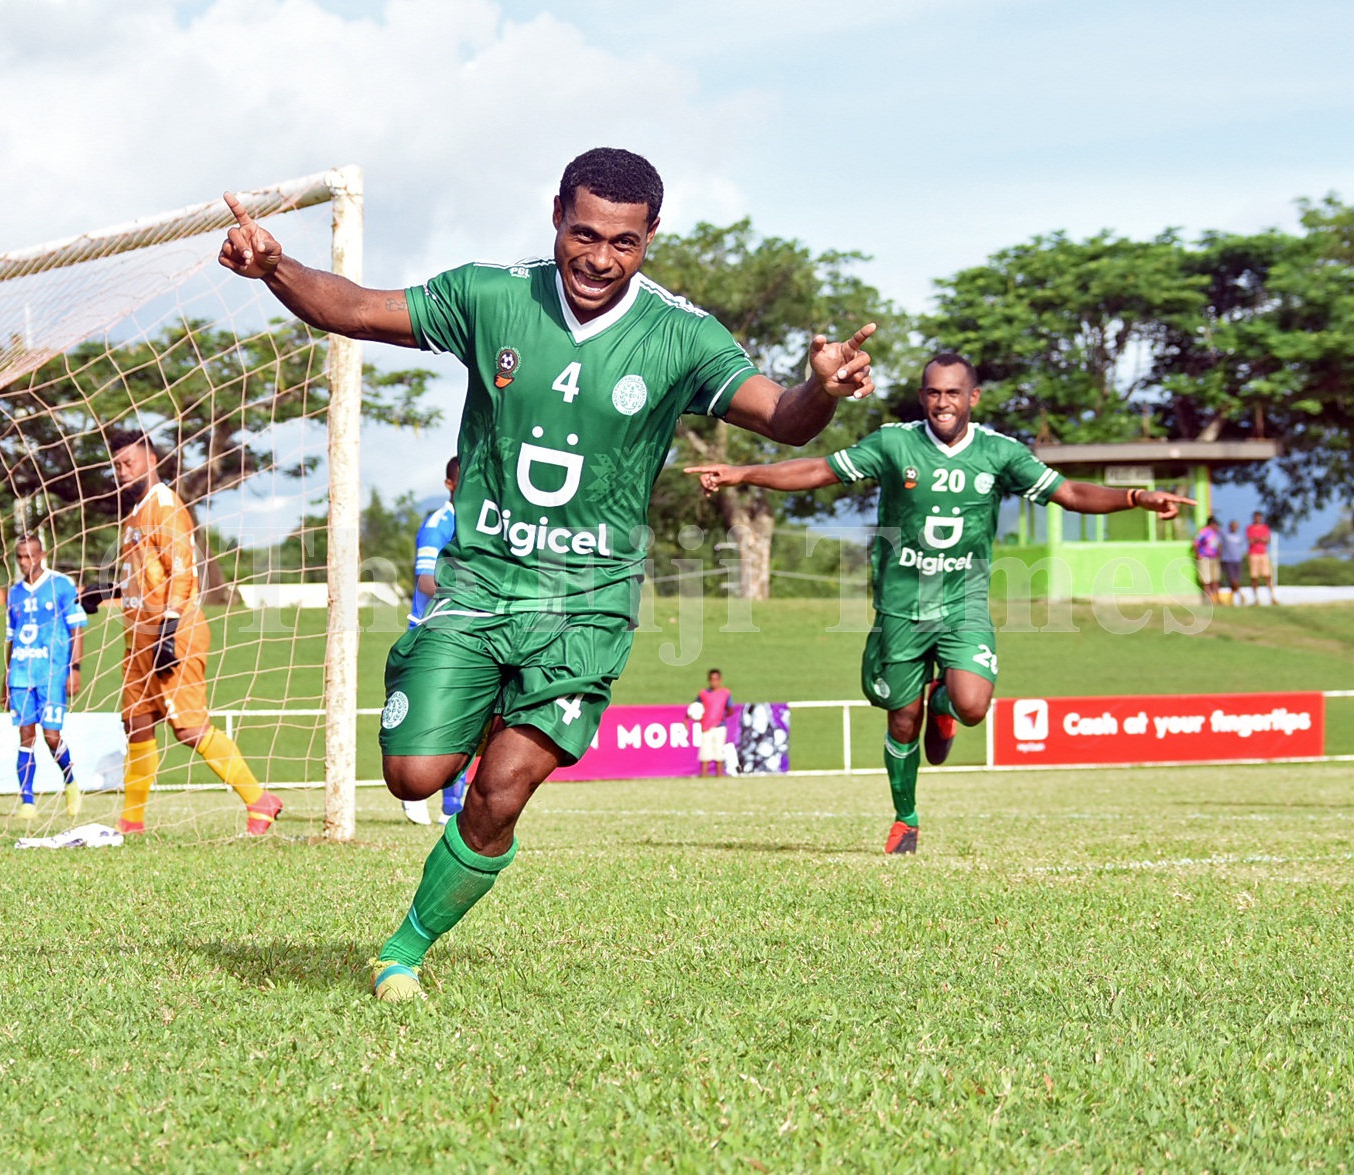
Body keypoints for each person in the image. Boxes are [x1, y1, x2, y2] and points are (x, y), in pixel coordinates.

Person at [218, 147, 877, 1000]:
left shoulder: (682, 335)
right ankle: (459, 690)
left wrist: (820, 389)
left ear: (651, 239)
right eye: (585, 233)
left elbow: (784, 419)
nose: (600, 258)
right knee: (414, 775)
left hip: (588, 604)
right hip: (482, 584)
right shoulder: (492, 295)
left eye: (625, 243)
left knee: (499, 792)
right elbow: (355, 309)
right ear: (557, 215)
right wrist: (276, 267)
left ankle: (405, 948)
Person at [687, 353, 1193, 854]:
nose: (942, 402)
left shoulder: (1000, 454)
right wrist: (743, 473)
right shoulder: (893, 443)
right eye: (932, 392)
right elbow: (818, 470)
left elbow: (1072, 493)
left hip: (963, 606)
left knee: (973, 706)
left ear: (972, 397)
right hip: (900, 610)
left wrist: (1135, 497)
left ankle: (946, 706)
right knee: (902, 718)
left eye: (953, 392)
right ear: (922, 396)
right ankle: (905, 820)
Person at [109, 434, 283, 835]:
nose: (122, 472)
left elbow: (182, 571)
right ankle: (131, 821)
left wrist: (168, 630)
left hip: (172, 630)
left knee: (186, 728)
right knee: (135, 722)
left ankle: (260, 801)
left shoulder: (165, 504)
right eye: (117, 465)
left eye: (128, 463)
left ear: (150, 459)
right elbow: (143, 575)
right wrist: (100, 592)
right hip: (138, 631)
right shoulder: (133, 513)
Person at [401, 456, 469, 827]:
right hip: (428, 632)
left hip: (465, 632)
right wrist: (474, 589)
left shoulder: (483, 520)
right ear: (450, 484)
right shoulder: (438, 524)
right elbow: (426, 581)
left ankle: (453, 805)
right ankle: (413, 793)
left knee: (466, 719)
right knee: (429, 720)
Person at [2, 535, 85, 819]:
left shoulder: (61, 585)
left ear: (42, 555)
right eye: (20, 557)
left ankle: (71, 784)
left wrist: (75, 669)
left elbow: (76, 629)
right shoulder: (14, 593)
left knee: (52, 738)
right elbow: (11, 638)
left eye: (29, 556)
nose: (25, 562)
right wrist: (6, 679)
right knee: (26, 736)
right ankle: (27, 801)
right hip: (21, 674)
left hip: (51, 672)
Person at [694, 668, 736, 778]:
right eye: (712, 679)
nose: (714, 682)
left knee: (719, 752)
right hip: (706, 727)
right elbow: (695, 708)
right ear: (709, 680)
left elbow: (730, 709)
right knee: (705, 753)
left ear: (720, 680)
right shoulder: (703, 694)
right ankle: (704, 776)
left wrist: (722, 716)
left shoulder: (725, 693)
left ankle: (719, 776)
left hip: (720, 726)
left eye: (716, 679)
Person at [1246, 511, 1277, 605]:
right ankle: (1256, 599)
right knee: (1254, 577)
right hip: (1253, 554)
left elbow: (1267, 540)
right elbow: (1250, 540)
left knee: (1267, 575)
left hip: (1263, 553)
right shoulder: (1250, 528)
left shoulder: (1265, 528)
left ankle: (1272, 597)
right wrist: (1260, 539)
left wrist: (1257, 539)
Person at [1219, 518, 1248, 603]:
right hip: (1227, 560)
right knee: (1232, 579)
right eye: (1232, 526)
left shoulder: (1240, 537)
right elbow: (1220, 545)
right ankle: (1240, 595)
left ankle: (1232, 598)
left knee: (1236, 579)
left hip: (1237, 560)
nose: (1233, 527)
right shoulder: (1225, 535)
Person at [1194, 517, 1221, 603]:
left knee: (1215, 579)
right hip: (1205, 557)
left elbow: (1219, 544)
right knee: (1206, 580)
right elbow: (1196, 543)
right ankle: (1208, 599)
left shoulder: (1215, 533)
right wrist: (1198, 555)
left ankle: (1217, 598)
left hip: (1214, 558)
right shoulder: (1204, 532)